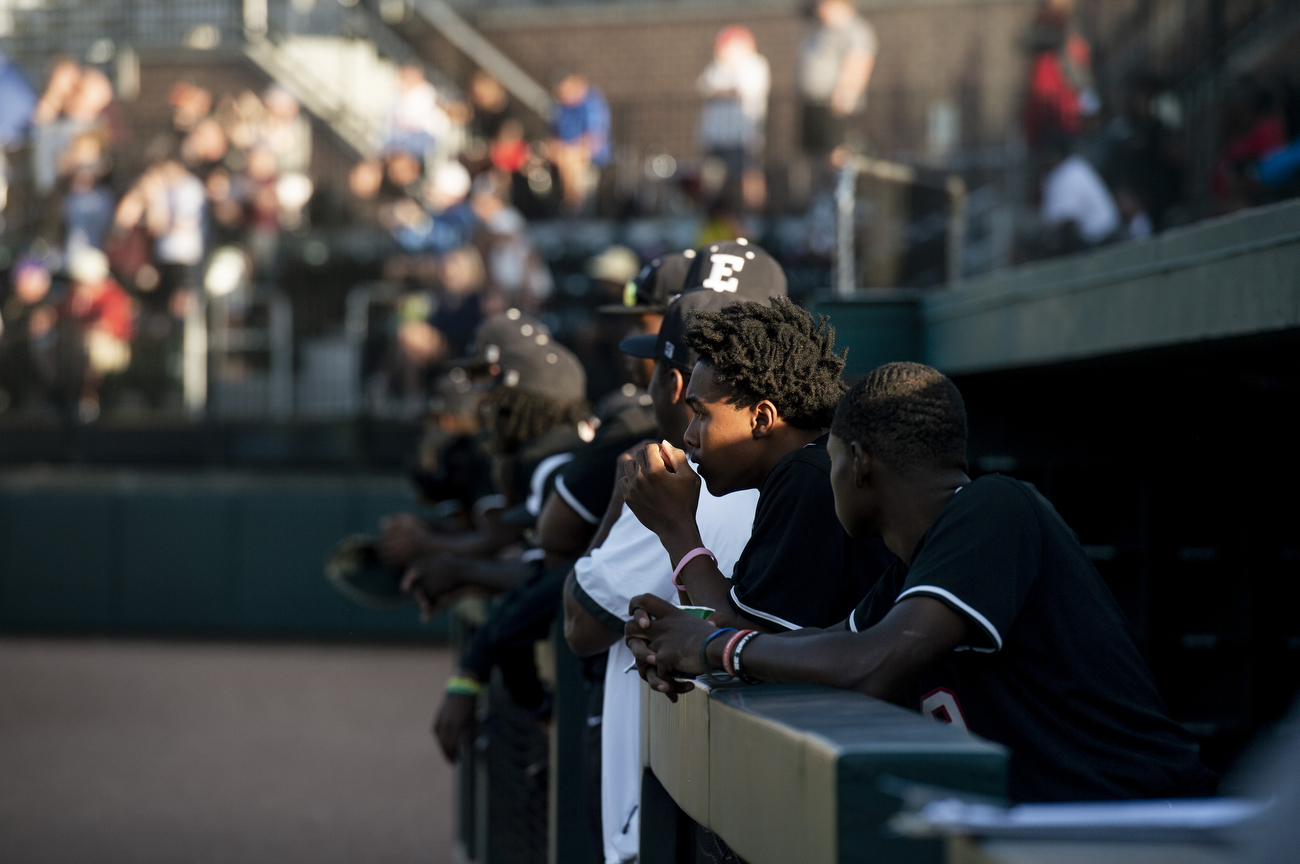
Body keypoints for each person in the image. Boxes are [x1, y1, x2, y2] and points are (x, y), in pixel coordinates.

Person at [626, 362, 1219, 803]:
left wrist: (714, 646)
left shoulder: (995, 508)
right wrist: (681, 639)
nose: (823, 475)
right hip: (1067, 826)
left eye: (828, 458)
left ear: (858, 462)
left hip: (1153, 825)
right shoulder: (907, 575)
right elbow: (825, 649)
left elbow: (873, 662)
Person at [564, 252, 784, 863]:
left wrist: (621, 501)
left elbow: (579, 625)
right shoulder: (798, 481)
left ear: (678, 383)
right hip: (740, 808)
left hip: (663, 809)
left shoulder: (673, 478)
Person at [619, 287, 893, 633]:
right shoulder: (804, 469)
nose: (688, 436)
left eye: (701, 415)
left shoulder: (807, 475)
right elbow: (724, 625)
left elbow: (739, 638)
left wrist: (676, 526)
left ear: (761, 419)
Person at [697, 26, 771, 212]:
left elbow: (743, 91)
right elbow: (704, 87)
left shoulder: (755, 65)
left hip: (743, 136)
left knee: (748, 174)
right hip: (716, 136)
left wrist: (721, 91)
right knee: (713, 177)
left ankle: (754, 214)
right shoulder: (716, 68)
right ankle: (715, 214)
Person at [798, 0, 877, 165]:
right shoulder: (820, 30)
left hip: (836, 106)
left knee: (837, 156)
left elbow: (859, 61)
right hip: (815, 105)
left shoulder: (854, 30)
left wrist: (846, 93)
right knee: (814, 156)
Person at [1038, 136, 1120, 252]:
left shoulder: (1069, 172)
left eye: (1047, 156)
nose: (1044, 160)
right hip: (1097, 240)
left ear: (1055, 156)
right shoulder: (1071, 167)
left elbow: (1067, 223)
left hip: (1105, 242)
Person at [548, 72, 610, 214]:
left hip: (589, 154)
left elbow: (595, 138)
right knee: (566, 157)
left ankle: (575, 205)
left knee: (572, 160)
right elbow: (551, 137)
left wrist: (571, 150)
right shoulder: (559, 107)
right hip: (565, 154)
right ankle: (571, 206)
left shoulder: (592, 103)